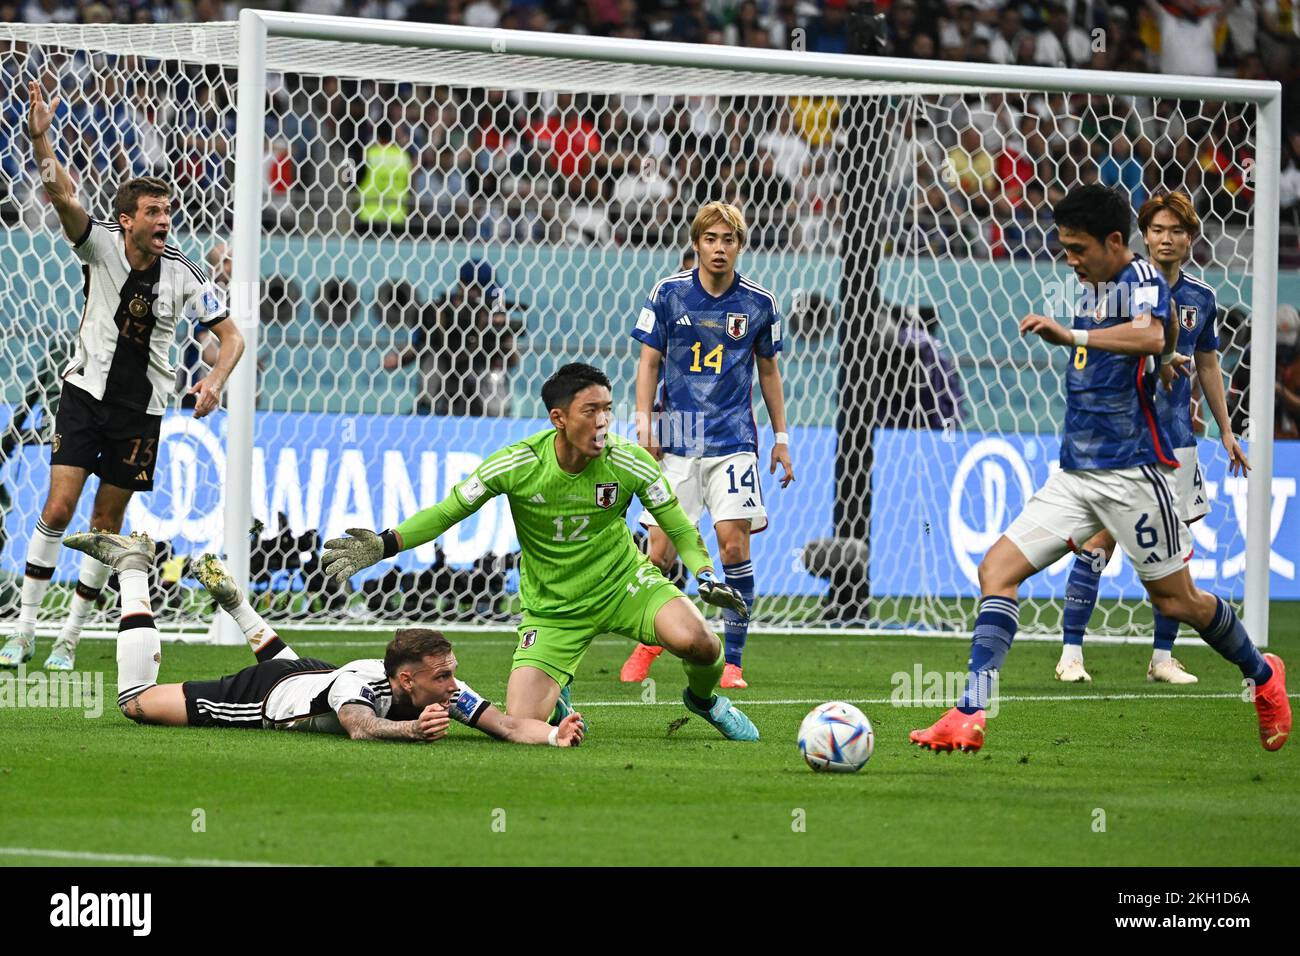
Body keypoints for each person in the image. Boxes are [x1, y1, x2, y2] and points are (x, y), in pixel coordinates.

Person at [909, 184, 1289, 754]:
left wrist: (1076, 335)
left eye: (1077, 247)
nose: (1069, 258)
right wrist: (1158, 365)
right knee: (997, 572)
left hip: (1133, 475)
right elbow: (1155, 349)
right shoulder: (1096, 283)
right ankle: (970, 710)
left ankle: (1263, 676)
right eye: (1064, 247)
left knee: (1176, 601)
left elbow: (1153, 332)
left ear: (1115, 242)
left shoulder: (1142, 281)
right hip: (1075, 472)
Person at [322, 363, 761, 742]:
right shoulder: (518, 464)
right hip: (553, 608)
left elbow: (678, 525)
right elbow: (447, 511)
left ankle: (704, 701)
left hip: (625, 585)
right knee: (524, 723)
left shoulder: (629, 460)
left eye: (608, 409)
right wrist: (385, 543)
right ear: (559, 418)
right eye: (591, 411)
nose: (604, 421)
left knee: (701, 643)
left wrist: (704, 573)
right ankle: (556, 693)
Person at [0, 81, 244, 672]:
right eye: (154, 213)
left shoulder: (185, 273)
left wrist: (214, 382)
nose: (164, 221)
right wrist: (40, 139)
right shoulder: (99, 246)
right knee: (59, 509)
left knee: (106, 525)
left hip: (143, 411)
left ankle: (69, 640)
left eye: (168, 211)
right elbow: (61, 197)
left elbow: (232, 338)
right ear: (126, 219)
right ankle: (25, 628)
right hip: (85, 392)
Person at [63, 531, 583, 746]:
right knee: (135, 703)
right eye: (443, 675)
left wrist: (554, 737)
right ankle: (133, 565)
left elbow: (510, 725)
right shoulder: (360, 694)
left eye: (450, 672)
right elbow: (358, 727)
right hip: (263, 695)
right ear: (406, 679)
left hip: (310, 673)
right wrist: (410, 732)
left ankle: (236, 605)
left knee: (304, 676)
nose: (453, 684)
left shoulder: (440, 690)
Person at [1055, 190, 1249, 685]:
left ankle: (1162, 658)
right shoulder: (1110, 288)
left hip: (1176, 439)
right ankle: (1071, 653)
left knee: (1175, 551)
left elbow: (1208, 364)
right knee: (1099, 540)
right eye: (1158, 230)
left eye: (1177, 231)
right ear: (1142, 235)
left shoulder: (1201, 298)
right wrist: (1156, 363)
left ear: (1190, 238)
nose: (1166, 239)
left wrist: (1225, 430)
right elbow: (1101, 356)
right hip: (1125, 441)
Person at [618, 202, 794, 690]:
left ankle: (732, 661)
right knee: (659, 554)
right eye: (711, 239)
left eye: (728, 240)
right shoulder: (668, 294)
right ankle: (651, 642)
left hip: (733, 439)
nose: (719, 248)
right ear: (696, 244)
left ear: (740, 245)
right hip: (676, 438)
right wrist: (644, 423)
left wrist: (781, 440)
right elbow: (648, 362)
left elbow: (769, 372)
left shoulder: (759, 302)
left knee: (732, 546)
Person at [382, 258, 520, 417]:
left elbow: (512, 361)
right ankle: (425, 408)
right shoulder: (437, 312)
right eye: (479, 291)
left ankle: (497, 416)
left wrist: (504, 335)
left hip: (477, 385)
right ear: (464, 286)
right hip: (443, 379)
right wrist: (399, 358)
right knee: (431, 358)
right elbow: (416, 345)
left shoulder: (491, 318)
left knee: (493, 369)